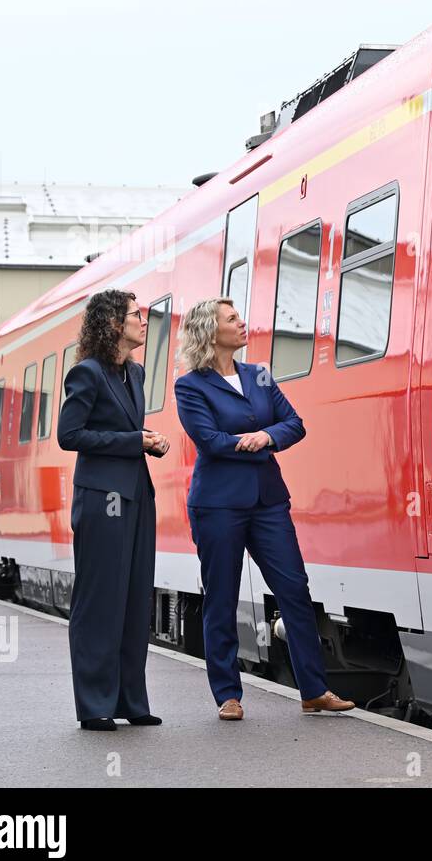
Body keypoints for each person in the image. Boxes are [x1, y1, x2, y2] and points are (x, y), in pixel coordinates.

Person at [173, 297, 354, 721]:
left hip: (268, 502)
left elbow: (295, 424)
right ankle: (227, 694)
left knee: (294, 589)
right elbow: (208, 440)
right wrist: (252, 440)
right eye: (232, 318)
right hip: (218, 506)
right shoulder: (190, 386)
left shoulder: (260, 375)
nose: (242, 323)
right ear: (209, 331)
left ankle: (314, 690)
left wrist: (266, 437)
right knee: (221, 596)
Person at [56, 289, 170, 731]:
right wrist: (131, 441)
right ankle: (95, 704)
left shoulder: (136, 374)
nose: (144, 322)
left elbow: (124, 431)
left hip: (138, 496)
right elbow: (70, 435)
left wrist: (149, 441)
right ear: (112, 324)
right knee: (99, 602)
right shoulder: (86, 374)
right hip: (102, 500)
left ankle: (131, 701)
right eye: (136, 316)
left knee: (134, 600)